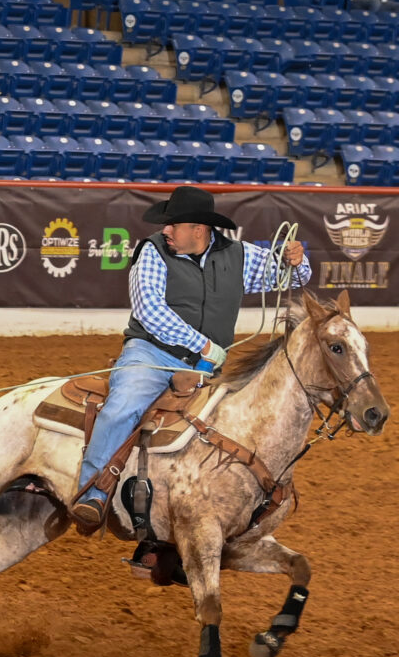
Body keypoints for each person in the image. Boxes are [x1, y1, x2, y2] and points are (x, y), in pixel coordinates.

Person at [69, 186, 309, 533]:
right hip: (151, 354)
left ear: (198, 229)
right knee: (123, 406)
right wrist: (204, 346)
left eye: (173, 225)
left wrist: (297, 260)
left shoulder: (237, 255)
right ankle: (93, 491)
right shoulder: (152, 252)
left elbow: (291, 277)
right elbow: (150, 311)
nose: (165, 230)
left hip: (207, 367)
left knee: (223, 434)